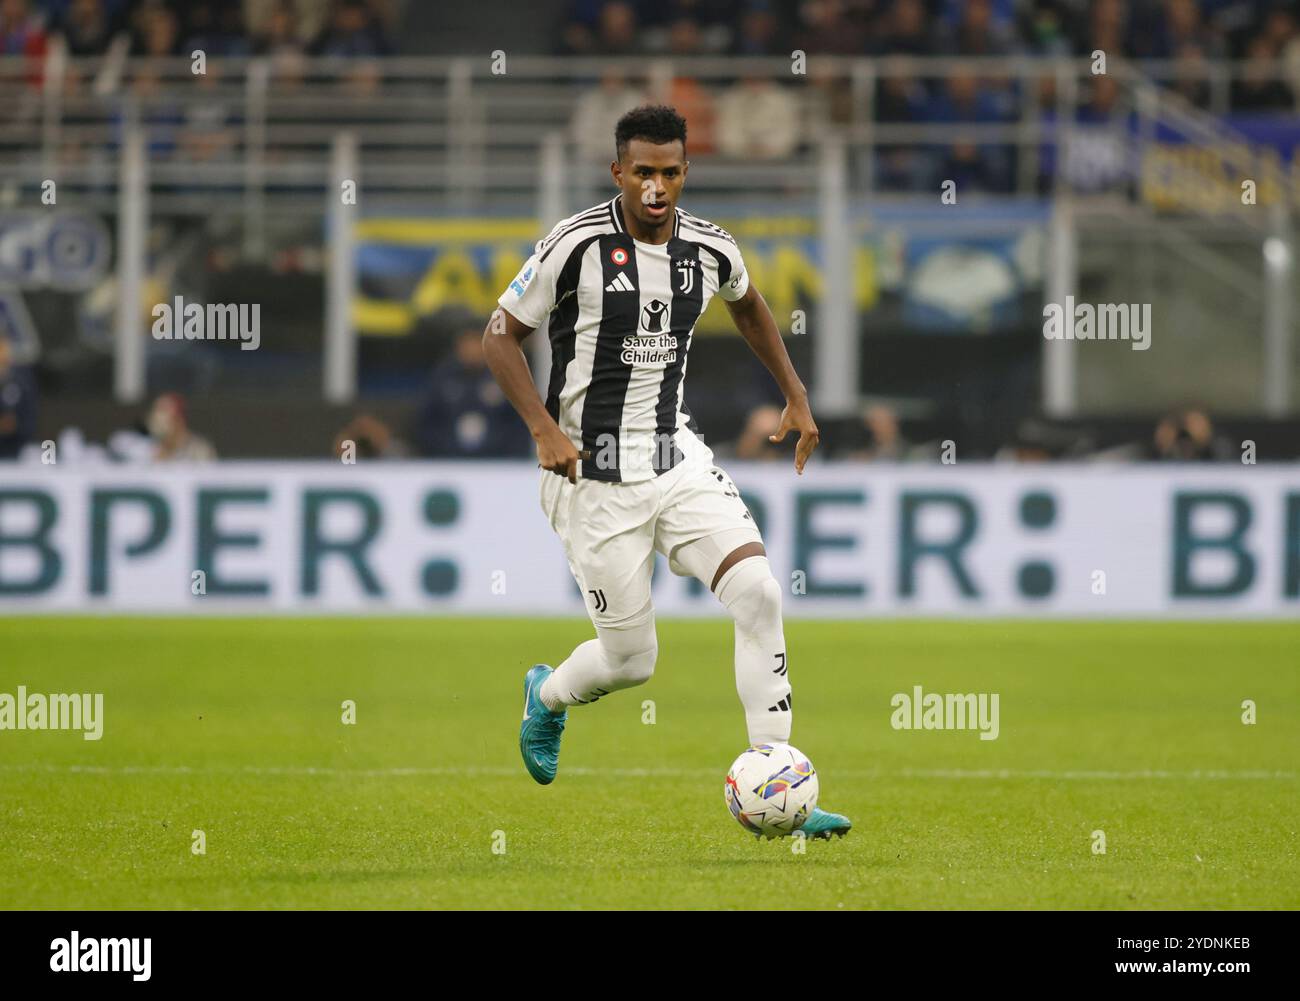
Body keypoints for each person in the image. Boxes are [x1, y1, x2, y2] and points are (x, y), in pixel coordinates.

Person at [484, 105, 850, 840]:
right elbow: (498, 337)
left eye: (671, 172)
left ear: (687, 172)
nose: (657, 187)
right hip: (591, 475)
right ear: (618, 171)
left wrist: (796, 393)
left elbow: (749, 308)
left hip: (674, 457)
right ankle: (548, 697)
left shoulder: (709, 248)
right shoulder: (574, 244)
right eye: (643, 172)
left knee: (758, 590)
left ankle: (780, 786)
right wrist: (543, 427)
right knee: (631, 661)